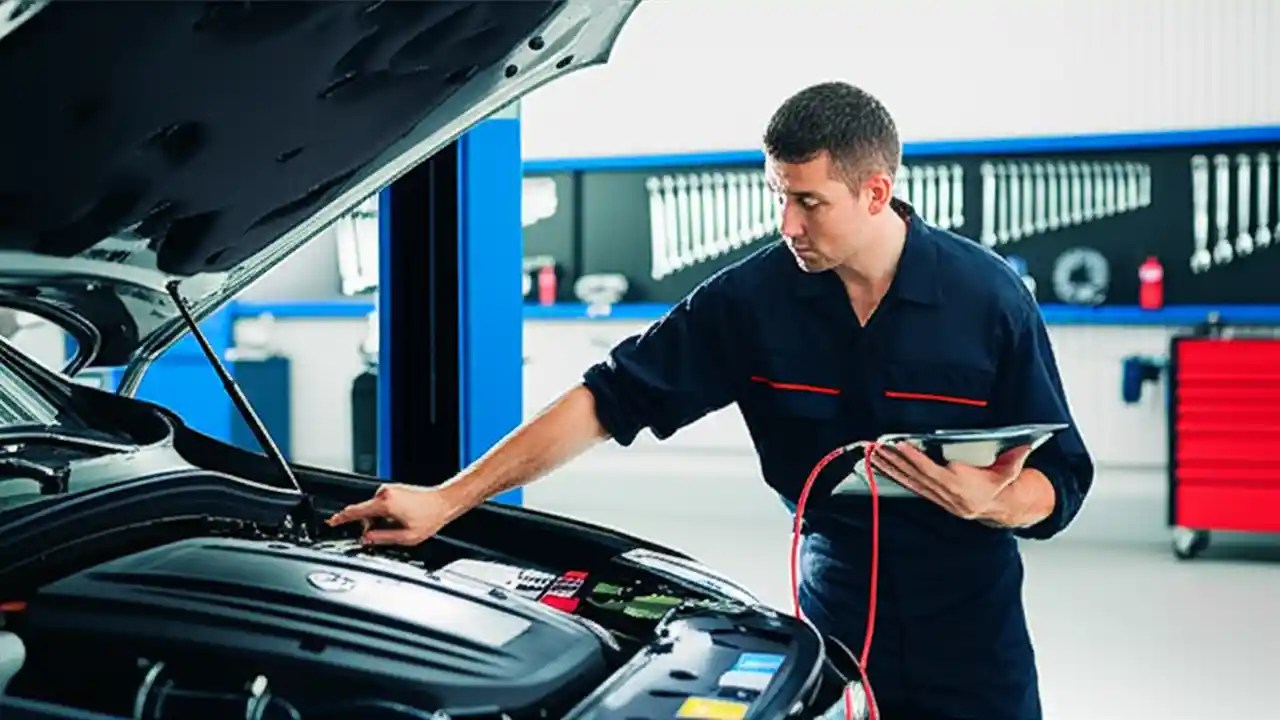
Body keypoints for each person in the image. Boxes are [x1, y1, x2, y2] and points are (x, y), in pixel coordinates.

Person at [328, 81, 1094, 720]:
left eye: (807, 201)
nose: (785, 224)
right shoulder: (751, 302)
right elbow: (607, 400)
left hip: (973, 633)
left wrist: (990, 503)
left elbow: (1060, 479)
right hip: (833, 624)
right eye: (776, 196)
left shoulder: (987, 298)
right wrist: (449, 500)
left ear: (876, 192)